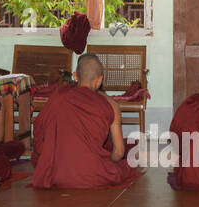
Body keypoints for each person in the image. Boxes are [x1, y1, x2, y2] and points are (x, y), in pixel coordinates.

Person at [31, 54, 142, 189]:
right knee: (129, 159)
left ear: (75, 76)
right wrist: (105, 162)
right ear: (99, 80)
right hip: (92, 174)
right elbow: (118, 152)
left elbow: (39, 134)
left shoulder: (59, 96)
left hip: (55, 172)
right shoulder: (111, 105)